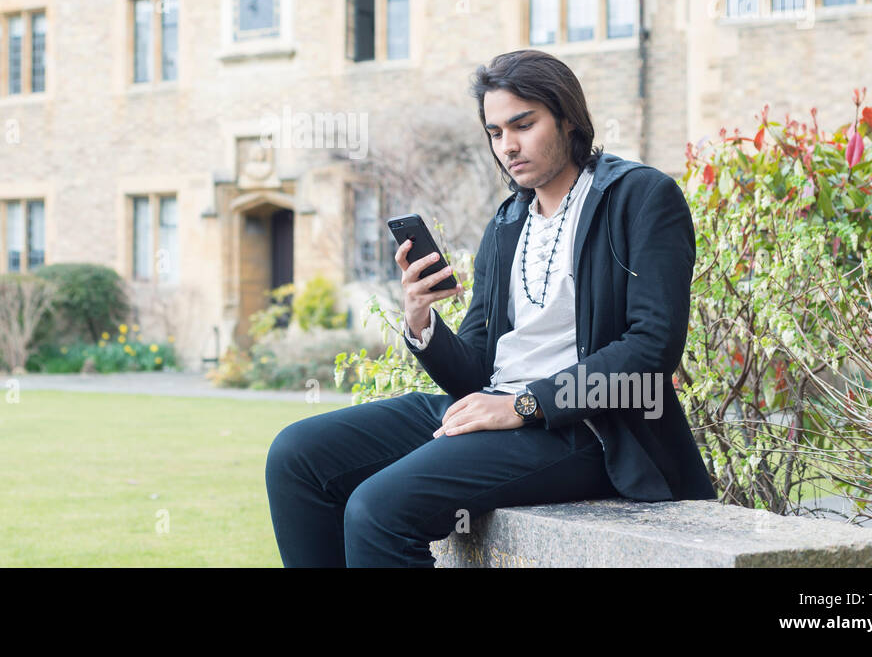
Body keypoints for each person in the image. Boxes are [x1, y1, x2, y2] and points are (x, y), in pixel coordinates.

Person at [264, 49, 718, 567]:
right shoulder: (508, 222)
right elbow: (477, 366)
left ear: (568, 119)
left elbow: (651, 350)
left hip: (589, 430)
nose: (508, 146)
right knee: (297, 455)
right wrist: (421, 321)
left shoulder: (638, 196)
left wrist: (522, 406)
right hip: (498, 406)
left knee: (379, 509)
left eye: (523, 125)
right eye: (496, 133)